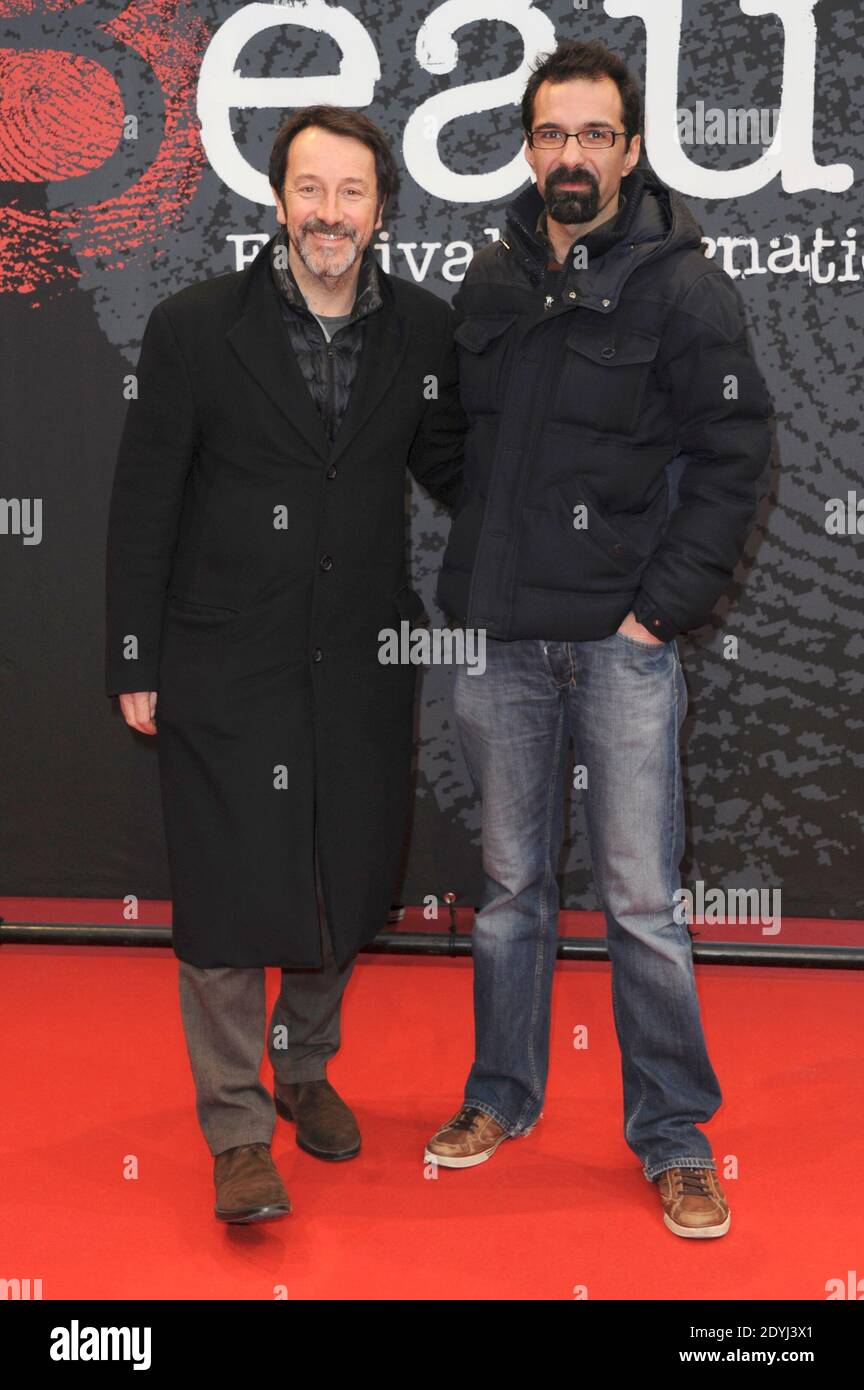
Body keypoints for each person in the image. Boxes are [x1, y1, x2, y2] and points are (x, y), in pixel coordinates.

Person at [428, 40, 775, 1239]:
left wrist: (658, 609)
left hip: (625, 647)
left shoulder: (685, 285)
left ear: (629, 147)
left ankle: (675, 1135)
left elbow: (737, 461)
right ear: (527, 147)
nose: (570, 155)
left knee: (640, 905)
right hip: (504, 644)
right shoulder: (491, 278)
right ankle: (499, 1096)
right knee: (511, 891)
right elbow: (453, 447)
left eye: (594, 134)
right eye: (550, 134)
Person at [105, 105, 465, 1224]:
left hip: (358, 658)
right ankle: (236, 1127)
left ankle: (306, 1070)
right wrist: (134, 651)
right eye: (309, 191)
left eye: (350, 193)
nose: (328, 214)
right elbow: (143, 503)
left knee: (337, 872)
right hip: (222, 655)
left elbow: (460, 469)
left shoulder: (423, 330)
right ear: (277, 202)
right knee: (225, 891)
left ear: (380, 209)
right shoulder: (193, 327)